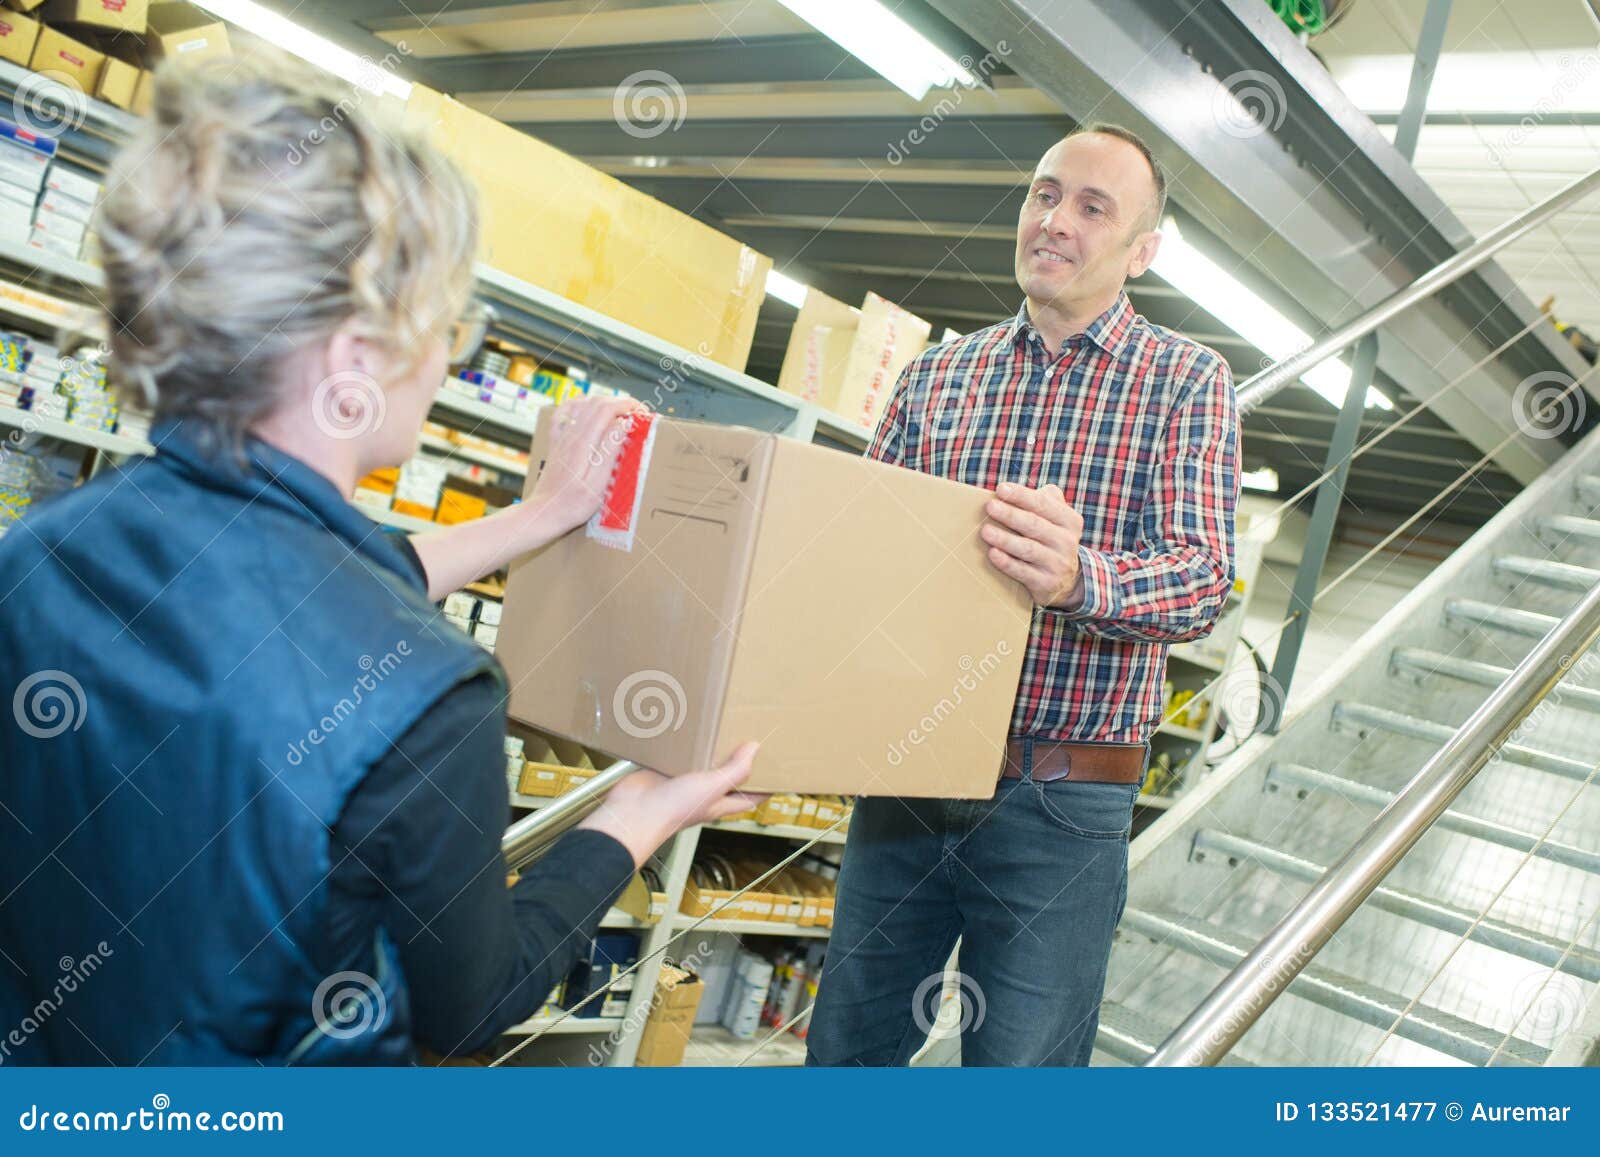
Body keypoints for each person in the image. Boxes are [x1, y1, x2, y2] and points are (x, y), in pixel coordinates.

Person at [0, 57, 756, 1066]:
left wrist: (542, 517)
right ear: (356, 355)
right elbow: (469, 1004)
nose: (446, 358)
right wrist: (637, 813)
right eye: (446, 322)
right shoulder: (431, 696)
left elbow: (287, 596)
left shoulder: (41, 549)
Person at [807, 125, 1240, 1067]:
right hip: (911, 778)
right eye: (1044, 193)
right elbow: (864, 557)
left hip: (1062, 806)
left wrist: (1081, 577)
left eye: (1093, 207)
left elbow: (1204, 578)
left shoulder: (1186, 382)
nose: (1055, 220)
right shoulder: (938, 376)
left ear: (1142, 251)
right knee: (846, 1053)